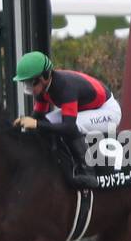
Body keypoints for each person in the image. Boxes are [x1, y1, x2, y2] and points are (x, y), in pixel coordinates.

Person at [12, 51, 121, 188]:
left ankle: (88, 173)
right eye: (26, 83)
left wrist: (36, 124)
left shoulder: (65, 87)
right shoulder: (43, 87)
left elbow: (69, 127)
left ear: (45, 76)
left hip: (107, 111)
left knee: (74, 125)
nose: (30, 89)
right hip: (87, 109)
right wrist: (20, 126)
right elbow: (38, 117)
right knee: (47, 122)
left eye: (31, 83)